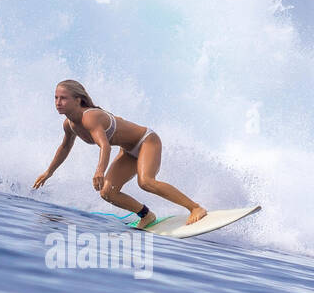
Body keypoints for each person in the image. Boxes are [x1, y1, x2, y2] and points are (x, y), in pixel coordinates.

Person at [31, 79, 207, 227]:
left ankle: (195, 208)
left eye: (63, 98)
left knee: (146, 182)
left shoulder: (89, 117)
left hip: (147, 140)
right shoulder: (69, 124)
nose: (58, 102)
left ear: (78, 100)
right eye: (56, 98)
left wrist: (100, 170)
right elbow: (64, 148)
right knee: (108, 192)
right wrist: (49, 172)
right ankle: (146, 215)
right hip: (129, 151)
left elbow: (105, 146)